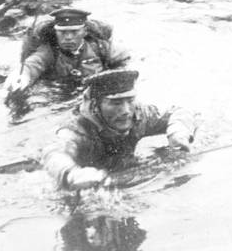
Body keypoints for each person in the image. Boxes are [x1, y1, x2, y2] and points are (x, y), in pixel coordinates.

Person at [41, 69, 194, 191]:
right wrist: (72, 175)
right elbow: (53, 153)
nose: (126, 110)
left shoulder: (140, 115)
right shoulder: (77, 129)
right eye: (116, 103)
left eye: (130, 100)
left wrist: (178, 133)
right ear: (95, 105)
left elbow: (178, 111)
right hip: (88, 180)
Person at [6, 7, 130, 96]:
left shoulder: (100, 48)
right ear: (56, 32)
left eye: (74, 32)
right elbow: (32, 64)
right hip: (60, 96)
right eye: (63, 32)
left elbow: (124, 59)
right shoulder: (49, 52)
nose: (68, 37)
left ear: (85, 31)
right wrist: (21, 78)